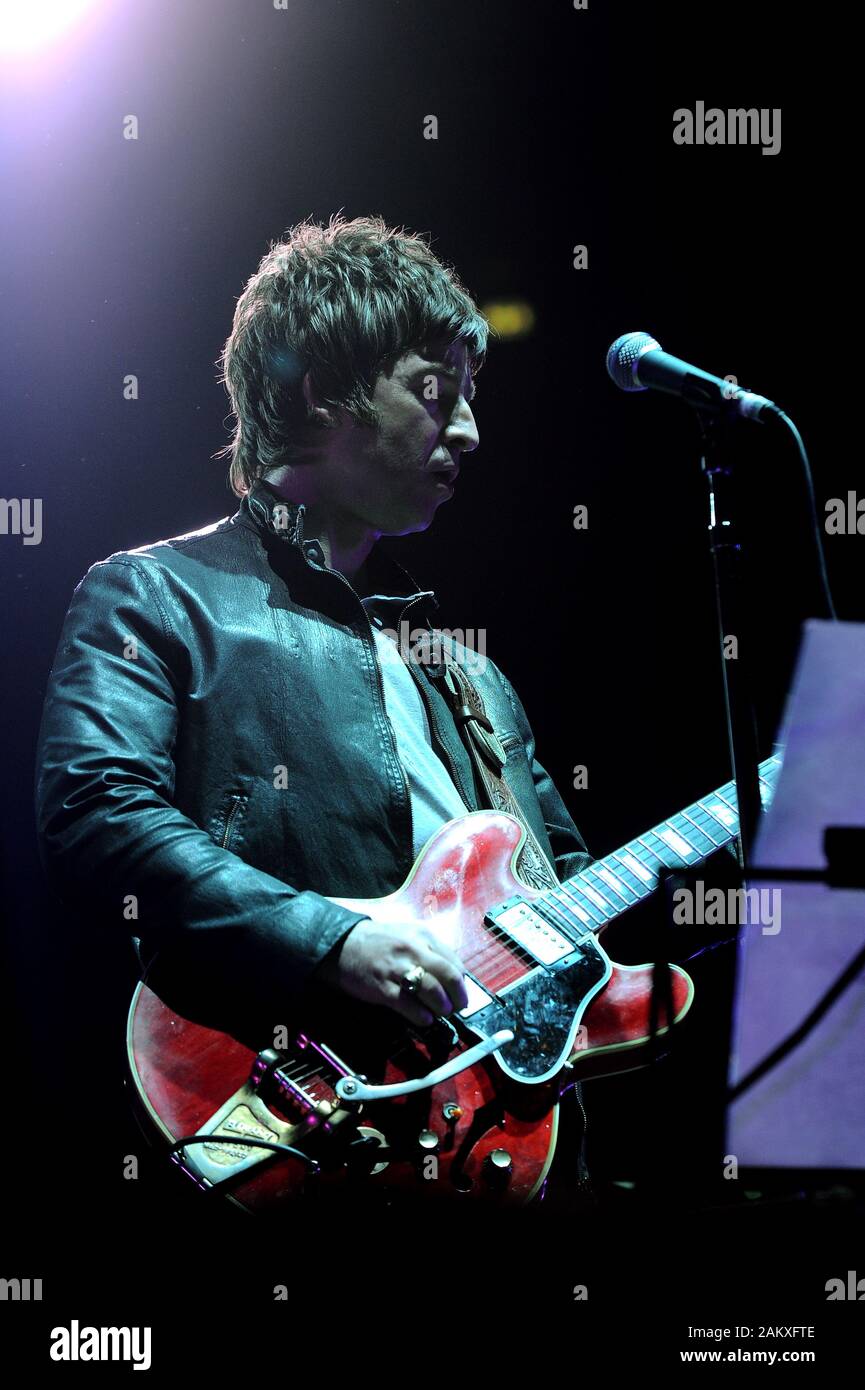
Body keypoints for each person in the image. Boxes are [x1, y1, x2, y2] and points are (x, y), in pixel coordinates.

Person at [34, 213, 594, 1210]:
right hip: (304, 1120)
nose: (468, 430)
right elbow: (95, 812)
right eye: (437, 391)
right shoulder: (157, 595)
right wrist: (329, 938)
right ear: (318, 393)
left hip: (508, 1147)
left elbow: (578, 900)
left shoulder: (470, 676)